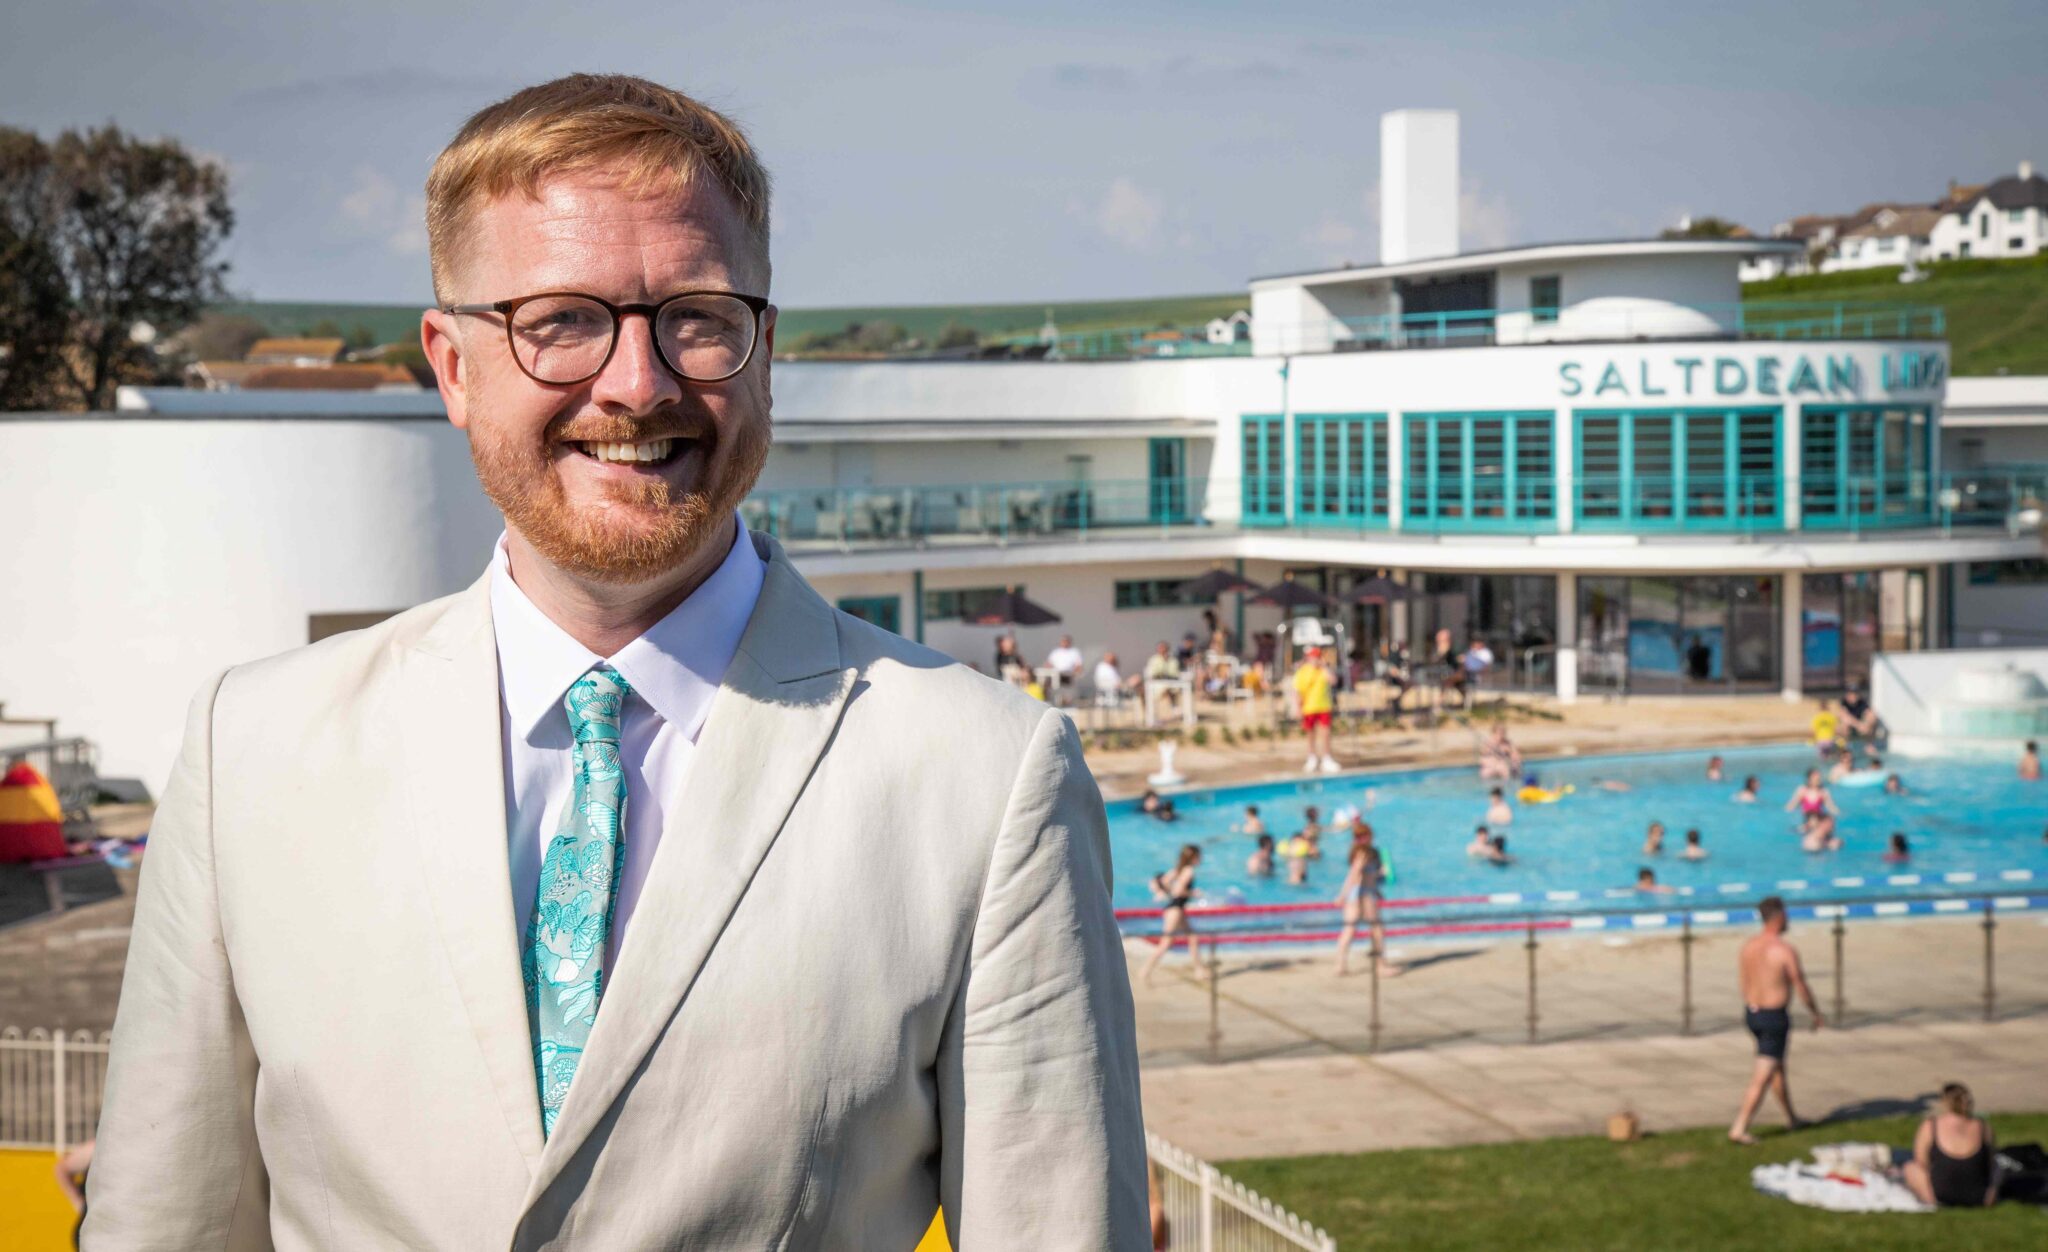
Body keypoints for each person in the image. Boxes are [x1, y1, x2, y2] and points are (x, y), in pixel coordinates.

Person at [85, 76, 1146, 1249]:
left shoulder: (983, 773)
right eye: (559, 320)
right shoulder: (255, 749)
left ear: (764, 353)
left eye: (696, 315)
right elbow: (163, 1225)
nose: (636, 382)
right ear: (451, 365)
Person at [1728, 896, 1823, 1145]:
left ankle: (1791, 1117)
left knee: (1777, 1068)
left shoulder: (1749, 946)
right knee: (1763, 1074)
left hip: (1752, 1013)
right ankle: (1739, 1127)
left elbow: (1743, 980)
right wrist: (1814, 1011)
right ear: (1779, 918)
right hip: (1773, 1017)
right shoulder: (1783, 950)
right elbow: (1799, 983)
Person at [1902, 1083, 2000, 1209]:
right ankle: (1990, 1196)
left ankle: (1931, 1201)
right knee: (1999, 1164)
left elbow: (1921, 1163)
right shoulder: (1983, 1127)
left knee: (1911, 1168)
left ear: (1945, 1103)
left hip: (1940, 1195)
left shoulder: (1931, 1126)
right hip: (1979, 1197)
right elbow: (1991, 1162)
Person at [1333, 821, 1400, 979]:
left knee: (1349, 930)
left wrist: (1376, 890)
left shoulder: (1360, 852)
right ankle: (1380, 965)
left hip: (1360, 894)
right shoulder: (1364, 853)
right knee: (1376, 930)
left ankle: (1340, 965)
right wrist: (1342, 895)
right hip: (1362, 895)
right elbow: (1354, 876)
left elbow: (1361, 876)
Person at [1143, 845, 1205, 987]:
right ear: (1194, 857)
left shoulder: (1178, 870)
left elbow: (1161, 882)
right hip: (1175, 909)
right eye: (1199, 856)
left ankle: (1199, 970)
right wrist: (1193, 893)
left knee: (1193, 937)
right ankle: (1146, 970)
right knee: (1166, 943)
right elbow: (1179, 891)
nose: (1201, 859)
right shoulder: (1189, 871)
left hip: (1176, 908)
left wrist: (1166, 891)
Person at [1293, 645, 1339, 774]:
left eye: (1317, 657)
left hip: (1324, 706)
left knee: (1325, 734)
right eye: (1313, 657)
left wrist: (1324, 666)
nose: (1315, 659)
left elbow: (1333, 681)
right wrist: (1298, 708)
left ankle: (1326, 758)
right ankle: (1312, 758)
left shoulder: (1323, 670)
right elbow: (1298, 691)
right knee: (1310, 735)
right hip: (1309, 708)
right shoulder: (1302, 671)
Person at [1838, 681, 1882, 746]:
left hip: (1860, 728)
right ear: (1847, 695)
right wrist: (1859, 725)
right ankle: (1845, 747)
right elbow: (1844, 716)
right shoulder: (1844, 703)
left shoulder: (1861, 703)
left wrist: (1866, 724)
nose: (1853, 696)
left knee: (1872, 718)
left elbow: (1870, 714)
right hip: (1849, 729)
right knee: (1844, 724)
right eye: (1851, 693)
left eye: (1855, 693)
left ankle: (1869, 745)